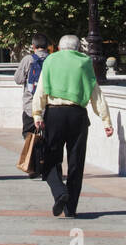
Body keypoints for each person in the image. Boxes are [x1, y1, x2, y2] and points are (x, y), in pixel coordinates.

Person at [32, 34, 114, 218]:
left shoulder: (51, 60)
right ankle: (71, 208)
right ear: (78, 49)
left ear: (60, 48)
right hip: (78, 115)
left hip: (54, 114)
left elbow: (41, 89)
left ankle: (60, 192)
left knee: (51, 158)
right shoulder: (84, 62)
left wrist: (37, 114)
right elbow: (96, 93)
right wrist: (106, 120)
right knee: (76, 161)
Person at [14, 33, 51, 179]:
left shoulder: (28, 60)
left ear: (33, 46)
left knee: (29, 135)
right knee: (47, 137)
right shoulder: (52, 59)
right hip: (48, 106)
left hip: (30, 106)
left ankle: (34, 166)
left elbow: (18, 79)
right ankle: (46, 165)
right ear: (47, 46)